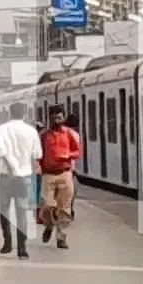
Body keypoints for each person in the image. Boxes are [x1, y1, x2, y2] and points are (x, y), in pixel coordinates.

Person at [0, 107, 41, 257]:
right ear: (24, 114)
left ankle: (7, 242)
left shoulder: (2, 129)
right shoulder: (31, 131)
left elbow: (1, 151)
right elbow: (37, 154)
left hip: (6, 177)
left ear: (10, 113)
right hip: (24, 177)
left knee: (4, 210)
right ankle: (22, 248)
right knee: (21, 213)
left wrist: (12, 167)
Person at [37, 105, 84, 250]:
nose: (56, 120)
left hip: (65, 173)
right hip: (48, 175)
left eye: (59, 117)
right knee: (47, 206)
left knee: (64, 209)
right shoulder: (43, 135)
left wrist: (68, 156)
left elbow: (77, 152)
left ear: (63, 118)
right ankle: (49, 225)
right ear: (49, 118)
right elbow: (38, 153)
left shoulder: (70, 135)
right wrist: (37, 166)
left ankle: (61, 237)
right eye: (54, 117)